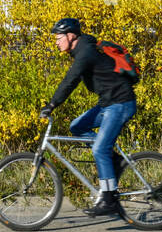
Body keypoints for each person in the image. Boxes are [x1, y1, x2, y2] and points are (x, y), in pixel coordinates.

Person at [40, 17, 136, 217]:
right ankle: (115, 161)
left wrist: (51, 105)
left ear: (71, 36)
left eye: (58, 38)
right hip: (108, 104)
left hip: (120, 104)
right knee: (77, 126)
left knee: (100, 149)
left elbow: (70, 81)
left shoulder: (85, 52)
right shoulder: (82, 51)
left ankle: (109, 200)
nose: (56, 42)